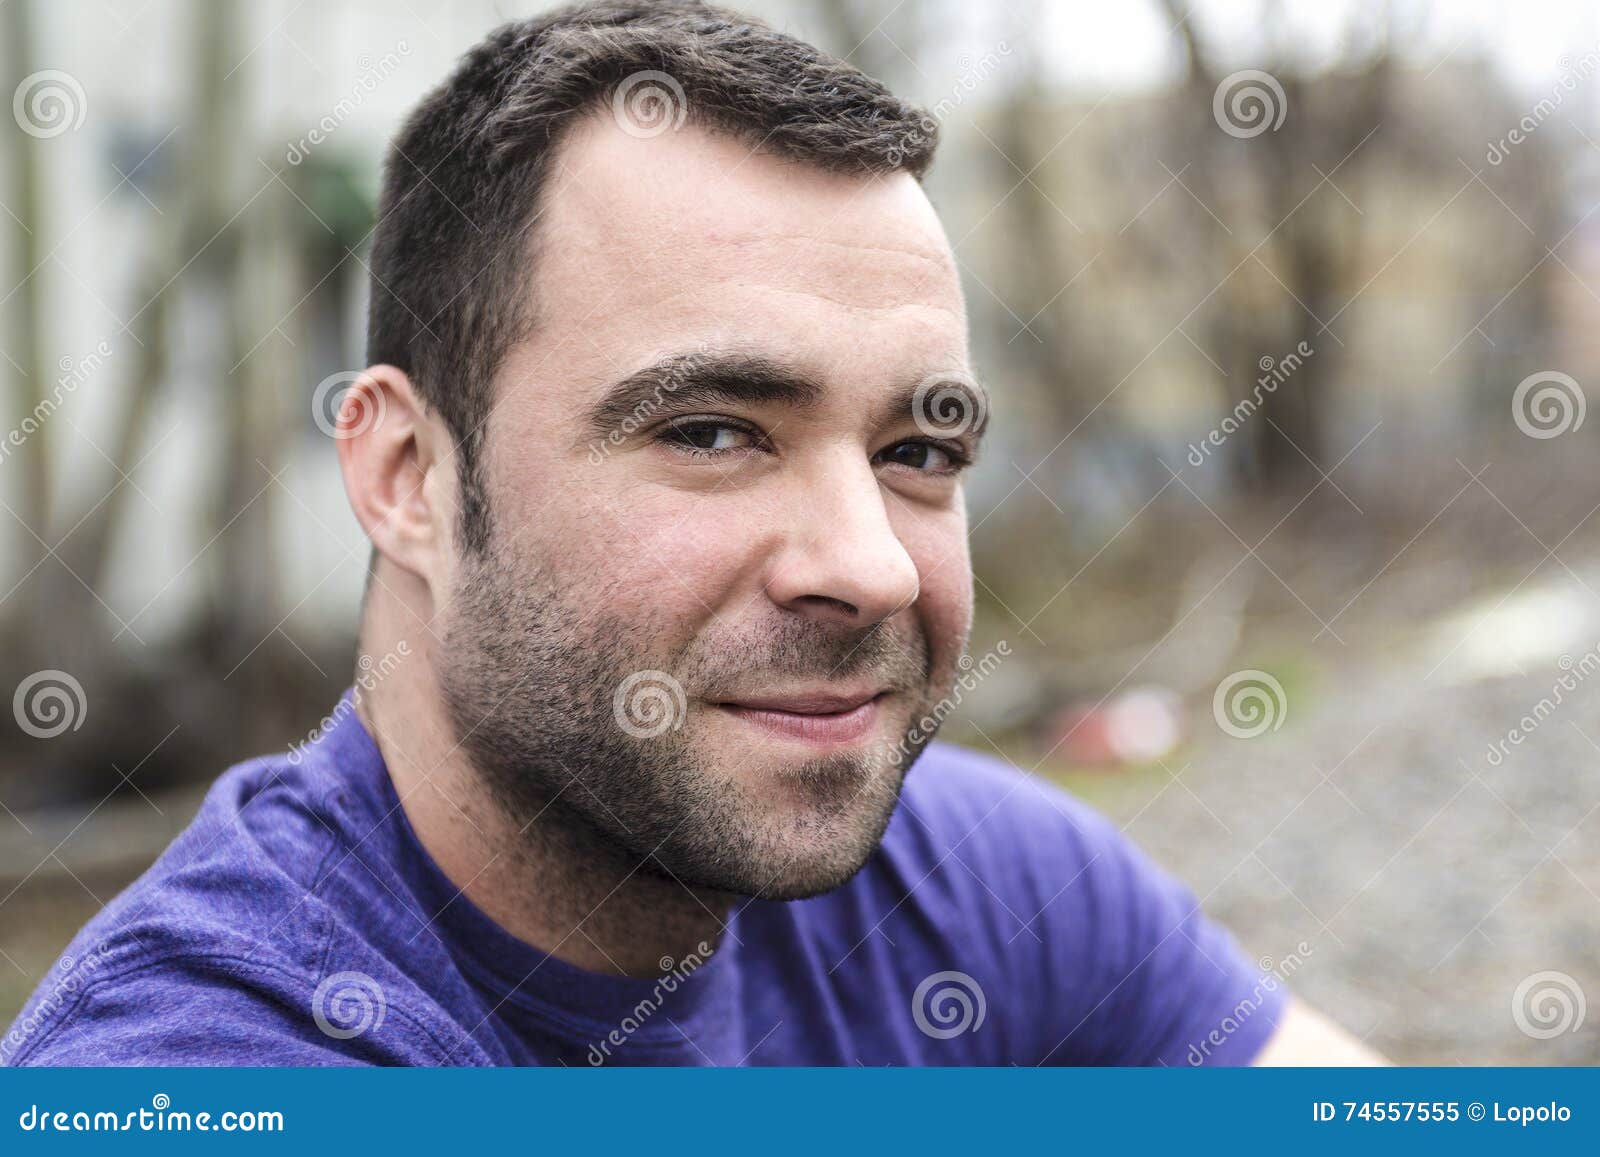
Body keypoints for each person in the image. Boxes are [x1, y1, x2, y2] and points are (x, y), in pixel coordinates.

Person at [4, 0, 1382, 1067]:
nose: (869, 565)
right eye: (715, 432)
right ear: (408, 476)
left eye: (918, 452)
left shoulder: (981, 888)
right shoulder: (209, 1060)